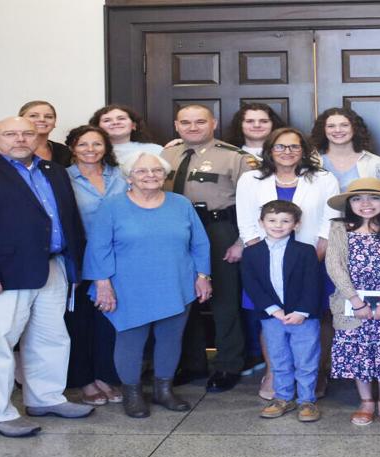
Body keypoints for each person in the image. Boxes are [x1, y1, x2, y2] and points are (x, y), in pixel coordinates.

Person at [0, 116, 93, 437]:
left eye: (27, 133)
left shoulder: (53, 172)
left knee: (51, 337)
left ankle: (46, 397)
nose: (20, 139)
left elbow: (70, 221)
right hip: (0, 274)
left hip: (53, 267)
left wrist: (75, 266)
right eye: (11, 134)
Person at [84, 152, 213, 418]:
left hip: (176, 282)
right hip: (127, 287)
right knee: (130, 341)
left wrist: (203, 276)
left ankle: (162, 391)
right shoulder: (112, 206)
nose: (150, 176)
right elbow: (98, 247)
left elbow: (199, 243)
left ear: (165, 175)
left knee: (170, 339)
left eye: (156, 170)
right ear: (129, 177)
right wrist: (102, 284)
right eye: (142, 171)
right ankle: (132, 395)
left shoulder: (181, 204)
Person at [159, 104, 261, 393]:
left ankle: (229, 363)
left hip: (218, 229)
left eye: (200, 122)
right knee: (184, 298)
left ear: (213, 123)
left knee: (224, 299)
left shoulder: (234, 157)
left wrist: (241, 241)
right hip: (176, 232)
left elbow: (253, 202)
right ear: (176, 125)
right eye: (186, 122)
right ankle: (192, 363)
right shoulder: (166, 155)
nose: (193, 127)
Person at [235, 127, 342, 400]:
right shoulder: (251, 179)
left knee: (316, 314)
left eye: (294, 146)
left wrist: (313, 255)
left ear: (304, 151)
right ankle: (274, 372)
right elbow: (246, 220)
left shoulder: (322, 178)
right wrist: (260, 255)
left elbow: (329, 220)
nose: (287, 152)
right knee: (269, 315)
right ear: (270, 150)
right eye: (280, 147)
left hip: (313, 257)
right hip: (264, 259)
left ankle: (317, 371)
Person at [324, 178, 380, 426]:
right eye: (357, 198)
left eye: (373, 198)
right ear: (349, 203)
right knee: (359, 351)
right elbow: (334, 265)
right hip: (351, 303)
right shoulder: (339, 227)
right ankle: (366, 401)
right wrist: (355, 300)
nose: (365, 204)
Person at [239, 200, 324, 423]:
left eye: (285, 221)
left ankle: (307, 400)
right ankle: (283, 397)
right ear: (262, 223)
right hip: (272, 317)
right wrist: (273, 310)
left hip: (303, 317)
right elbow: (252, 285)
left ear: (296, 224)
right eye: (272, 220)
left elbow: (313, 284)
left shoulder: (305, 251)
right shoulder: (251, 253)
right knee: (278, 358)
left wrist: (302, 311)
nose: (278, 225)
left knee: (306, 358)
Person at [63, 125, 128, 406]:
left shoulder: (121, 175)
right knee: (80, 321)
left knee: (110, 320)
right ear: (72, 149)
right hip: (79, 256)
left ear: (106, 147)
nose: (91, 150)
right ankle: (85, 381)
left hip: (119, 257)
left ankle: (105, 376)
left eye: (97, 144)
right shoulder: (62, 178)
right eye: (83, 145)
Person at [225, 103, 287, 378]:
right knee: (254, 297)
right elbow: (244, 209)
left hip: (285, 232)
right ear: (240, 124)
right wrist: (245, 241)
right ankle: (256, 355)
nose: (257, 125)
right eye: (250, 120)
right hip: (250, 236)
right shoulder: (229, 154)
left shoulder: (290, 152)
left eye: (263, 120)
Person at [311, 107, 380, 191]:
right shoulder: (312, 162)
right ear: (323, 130)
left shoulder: (376, 164)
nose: (338, 130)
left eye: (344, 125)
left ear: (354, 128)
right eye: (331, 126)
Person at [89, 104, 164, 165]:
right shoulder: (89, 152)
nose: (115, 122)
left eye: (121, 118)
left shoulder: (155, 150)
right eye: (107, 120)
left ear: (133, 125)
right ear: (97, 128)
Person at [19, 100, 72, 166]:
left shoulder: (64, 151)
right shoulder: (11, 149)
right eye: (33, 116)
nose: (42, 119)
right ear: (20, 120)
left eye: (48, 117)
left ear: (54, 123)